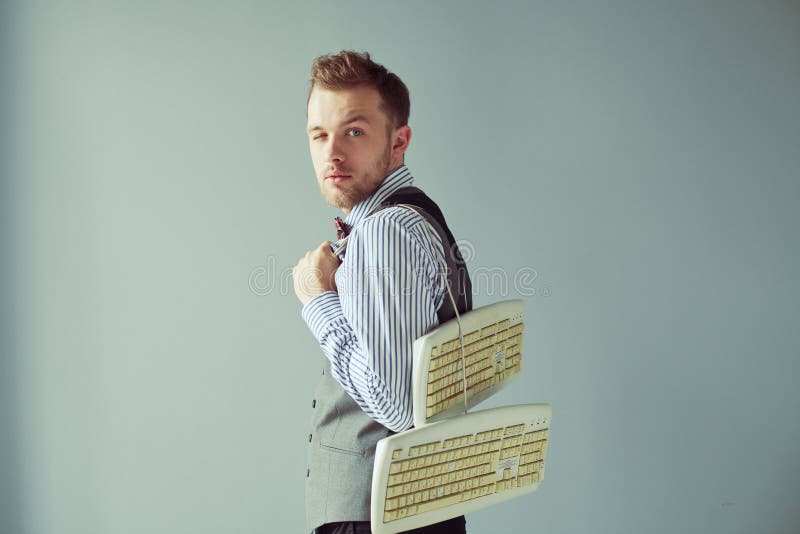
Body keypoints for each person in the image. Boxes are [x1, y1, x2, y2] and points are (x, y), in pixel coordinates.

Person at [293, 50, 471, 534]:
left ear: (398, 142)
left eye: (354, 131)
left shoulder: (385, 231)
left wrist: (318, 302)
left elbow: (395, 403)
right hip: (414, 508)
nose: (332, 153)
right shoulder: (413, 216)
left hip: (378, 515)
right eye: (319, 134)